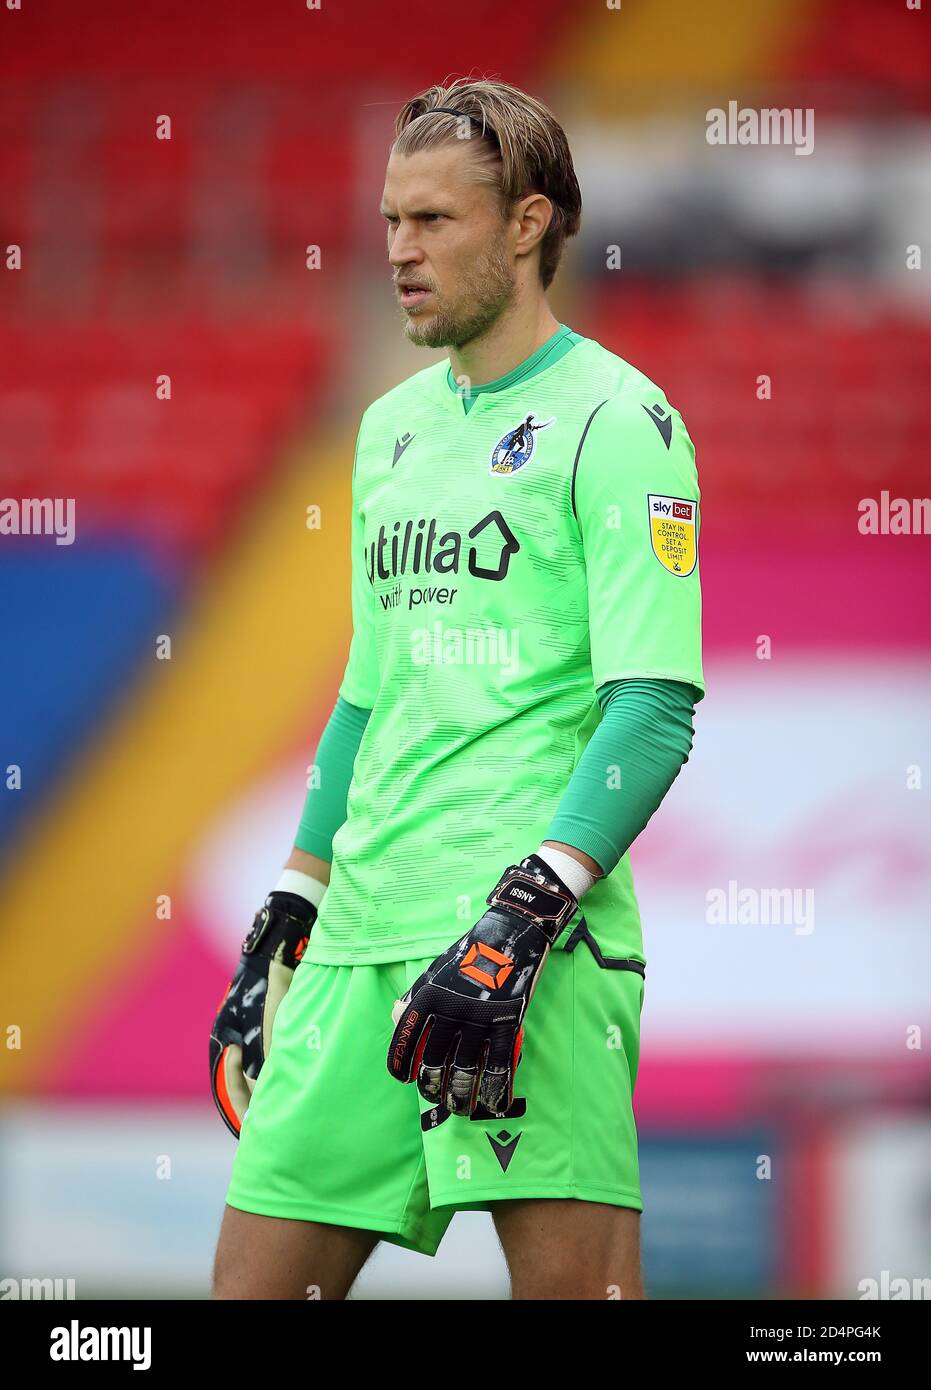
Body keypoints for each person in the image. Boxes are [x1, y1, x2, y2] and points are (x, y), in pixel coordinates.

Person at [210, 76, 703, 1301]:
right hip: (355, 947)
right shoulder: (384, 430)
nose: (398, 251)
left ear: (529, 224)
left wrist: (521, 920)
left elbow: (652, 706)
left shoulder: (622, 419)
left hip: (529, 954)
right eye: (389, 221)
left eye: (434, 221)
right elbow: (368, 696)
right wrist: (290, 894)